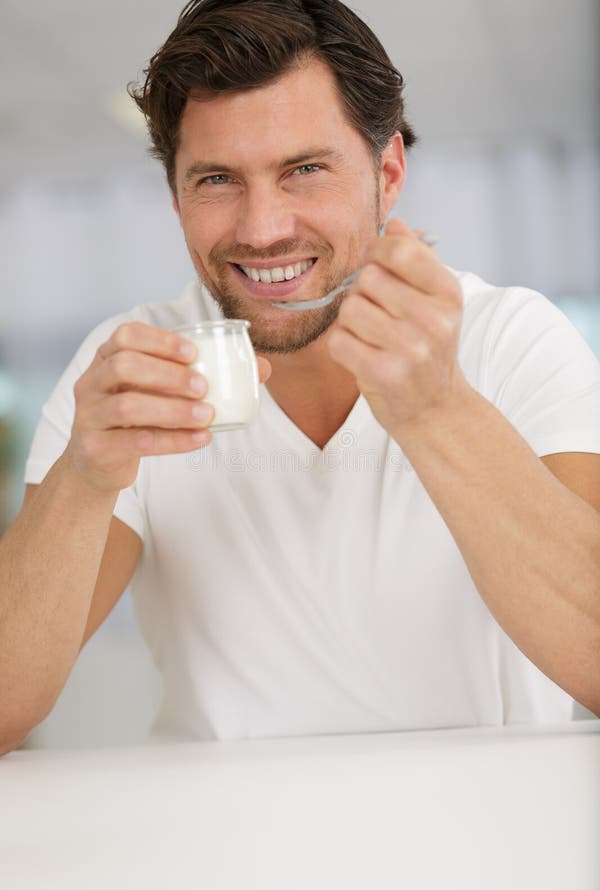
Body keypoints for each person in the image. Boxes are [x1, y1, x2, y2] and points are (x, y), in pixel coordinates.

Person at [1, 0, 599, 753]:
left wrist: (437, 410)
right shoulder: (129, 370)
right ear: (176, 197)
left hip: (483, 820)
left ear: (387, 173)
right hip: (219, 823)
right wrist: (85, 480)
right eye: (217, 179)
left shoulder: (512, 340)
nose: (262, 229)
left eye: (305, 171)